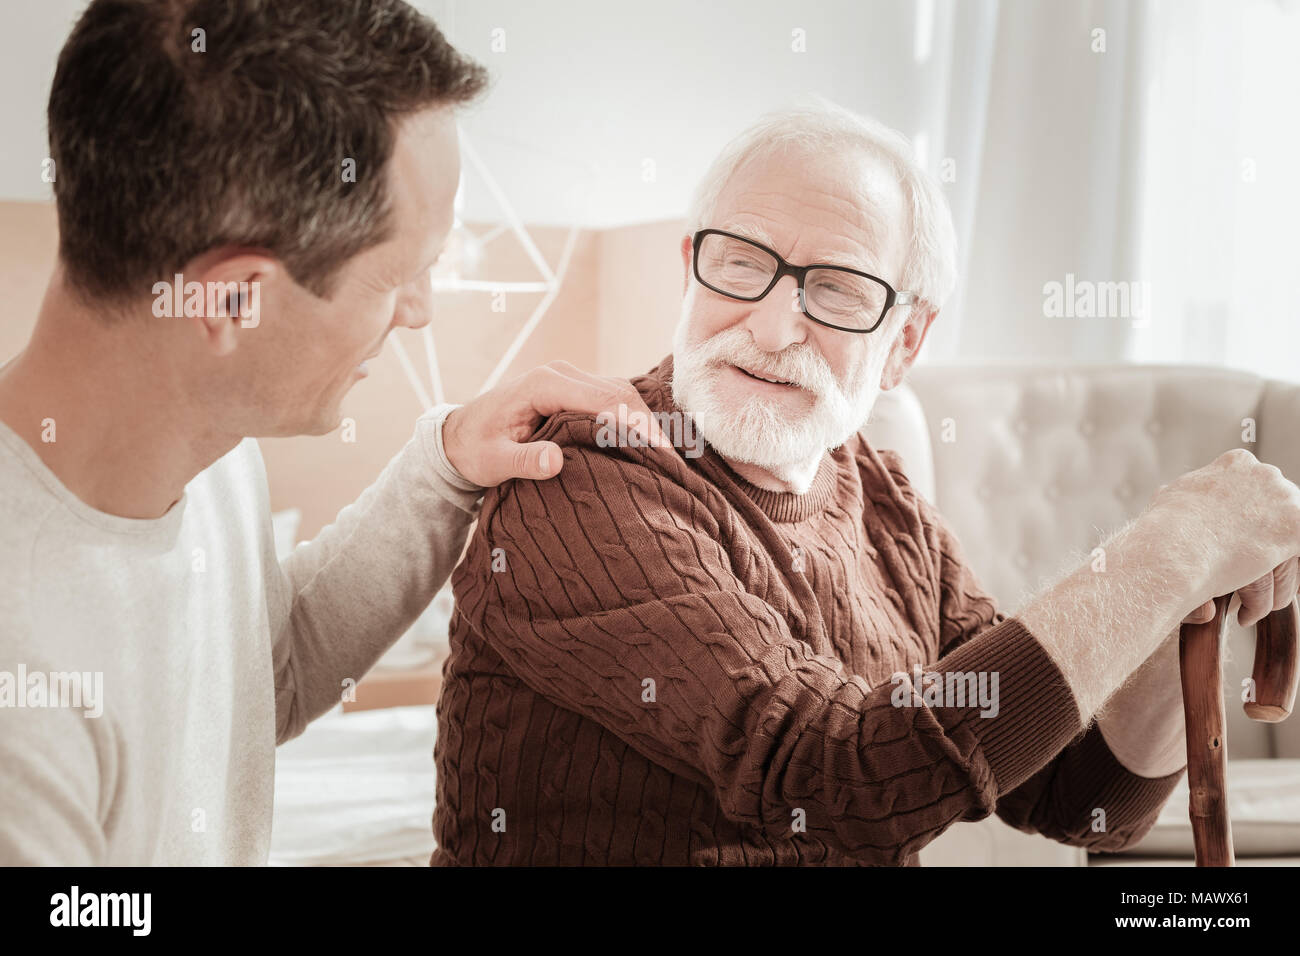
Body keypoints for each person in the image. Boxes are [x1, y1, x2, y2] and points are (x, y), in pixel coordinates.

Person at [432, 102, 1300, 865]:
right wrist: (1166, 549)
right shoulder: (583, 482)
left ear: (906, 345)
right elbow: (839, 779)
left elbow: (1083, 801)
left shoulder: (878, 496)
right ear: (692, 264)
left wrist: (1190, 590)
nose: (772, 327)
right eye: (740, 265)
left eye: (837, 292)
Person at [0, 0, 664, 865]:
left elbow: (259, 680)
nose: (420, 313)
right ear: (234, 299)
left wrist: (446, 464)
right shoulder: (23, 699)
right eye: (402, 274)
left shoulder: (207, 450)